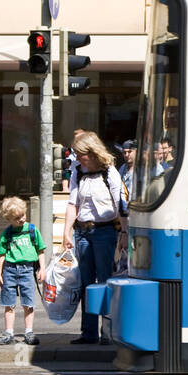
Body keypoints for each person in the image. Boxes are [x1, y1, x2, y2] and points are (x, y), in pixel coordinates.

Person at [63, 131, 126, 344]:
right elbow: (73, 203)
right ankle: (89, 333)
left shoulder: (110, 173)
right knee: (86, 284)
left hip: (104, 232)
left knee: (106, 280)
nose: (78, 158)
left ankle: (107, 331)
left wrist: (124, 232)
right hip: (83, 232)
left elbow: (121, 205)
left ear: (92, 152)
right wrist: (67, 231)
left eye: (81, 154)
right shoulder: (77, 172)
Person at [0, 196, 46, 346]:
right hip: (9, 270)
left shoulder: (31, 230)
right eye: (17, 218)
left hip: (27, 270)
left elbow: (40, 250)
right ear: (8, 219)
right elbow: (2, 254)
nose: (22, 219)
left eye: (23, 215)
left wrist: (42, 268)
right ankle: (8, 333)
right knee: (8, 303)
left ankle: (29, 332)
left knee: (28, 303)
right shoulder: (7, 233)